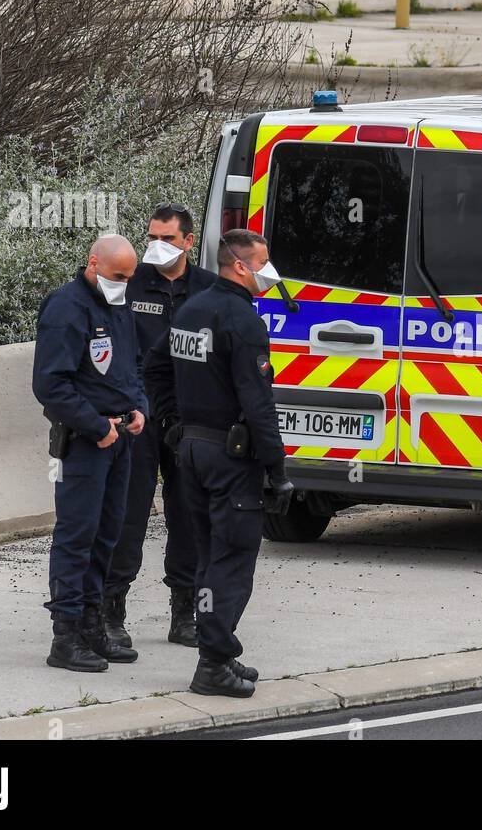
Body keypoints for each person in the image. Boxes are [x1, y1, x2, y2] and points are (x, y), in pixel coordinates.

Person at [144, 228, 293, 697]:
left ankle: (220, 653)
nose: (269, 272)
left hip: (192, 451)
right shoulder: (242, 321)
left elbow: (154, 365)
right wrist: (277, 469)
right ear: (240, 266)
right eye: (262, 263)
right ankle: (212, 663)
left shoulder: (191, 309)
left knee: (209, 554)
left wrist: (171, 419)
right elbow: (258, 402)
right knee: (231, 558)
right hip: (231, 460)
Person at [103, 203, 216, 651]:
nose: (158, 246)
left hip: (189, 416)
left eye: (167, 239)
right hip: (138, 415)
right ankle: (112, 609)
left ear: (189, 241)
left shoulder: (209, 289)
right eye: (152, 237)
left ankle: (184, 613)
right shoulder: (129, 286)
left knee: (187, 513)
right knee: (128, 512)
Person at [33, 234, 147, 672]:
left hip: (120, 439)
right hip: (85, 441)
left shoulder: (119, 305)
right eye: (118, 276)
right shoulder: (67, 308)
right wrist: (97, 426)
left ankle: (92, 624)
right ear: (93, 263)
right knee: (77, 536)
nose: (124, 284)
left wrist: (139, 410)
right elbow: (51, 385)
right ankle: (66, 634)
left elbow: (132, 367)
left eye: (129, 278)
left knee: (107, 535)